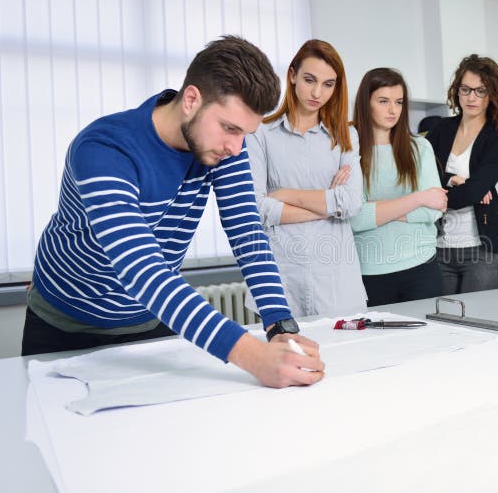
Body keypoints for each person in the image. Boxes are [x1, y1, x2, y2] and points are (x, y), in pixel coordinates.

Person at [23, 36, 324, 388]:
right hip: (66, 322)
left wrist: (280, 326)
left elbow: (247, 234)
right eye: (230, 128)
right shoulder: (104, 149)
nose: (237, 147)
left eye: (245, 133)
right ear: (192, 100)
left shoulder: (223, 147)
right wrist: (253, 355)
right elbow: (143, 270)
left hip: (149, 317)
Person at [245, 39, 367, 317]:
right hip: (281, 276)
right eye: (309, 80)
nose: (317, 92)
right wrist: (327, 207)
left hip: (337, 281)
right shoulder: (258, 132)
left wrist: (286, 195)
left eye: (328, 84)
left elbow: (350, 202)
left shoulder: (346, 136)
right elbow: (257, 207)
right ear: (292, 75)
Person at [425, 54, 498, 295]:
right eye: (466, 89)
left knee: (480, 324)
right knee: (443, 324)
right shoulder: (441, 128)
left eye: (480, 90)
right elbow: (417, 174)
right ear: (456, 91)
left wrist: (432, 194)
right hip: (439, 247)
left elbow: (472, 191)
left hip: (484, 250)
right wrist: (450, 178)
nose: (471, 97)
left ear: (492, 94)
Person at [349, 68, 447, 306]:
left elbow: (434, 210)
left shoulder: (420, 147)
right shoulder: (349, 150)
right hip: (369, 273)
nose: (393, 110)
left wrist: (379, 211)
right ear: (366, 103)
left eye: (399, 102)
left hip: (422, 267)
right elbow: (355, 218)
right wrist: (419, 198)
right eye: (383, 101)